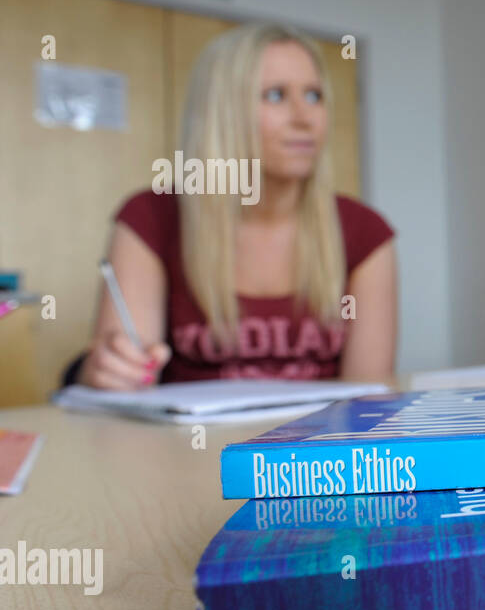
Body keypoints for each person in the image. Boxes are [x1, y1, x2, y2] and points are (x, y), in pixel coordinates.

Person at [73, 22, 397, 388]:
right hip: (184, 447)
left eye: (314, 96)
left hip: (318, 445)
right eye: (275, 96)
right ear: (221, 111)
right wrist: (104, 372)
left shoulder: (365, 232)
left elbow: (366, 404)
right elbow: (124, 381)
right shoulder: (150, 218)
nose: (305, 118)